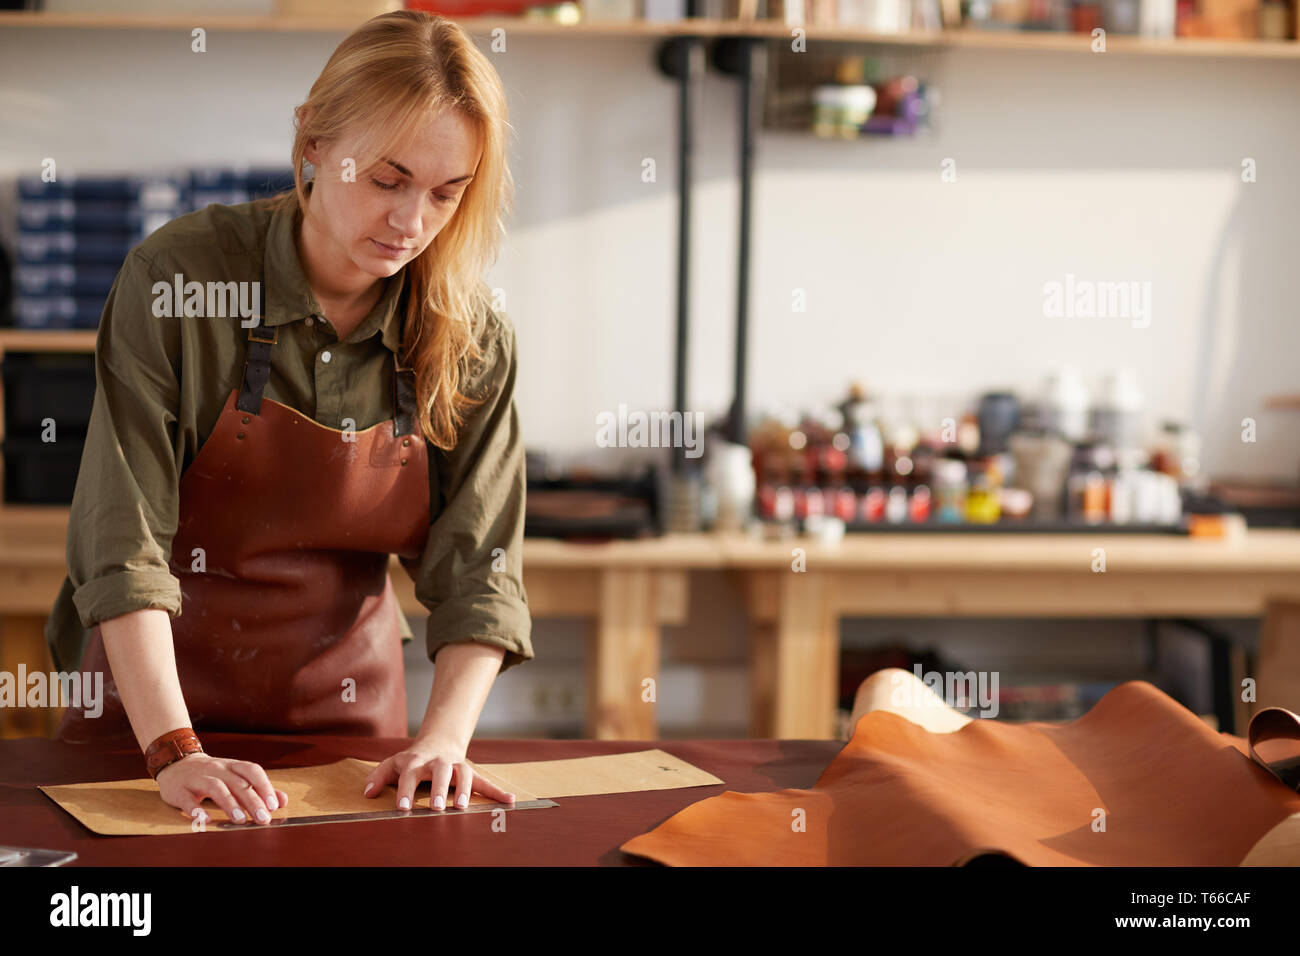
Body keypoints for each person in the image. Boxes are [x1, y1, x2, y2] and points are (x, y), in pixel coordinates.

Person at [43, 10, 532, 826]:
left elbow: (480, 569)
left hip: (344, 734)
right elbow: (120, 541)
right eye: (387, 179)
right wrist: (174, 750)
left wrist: (445, 739)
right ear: (312, 140)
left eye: (447, 194)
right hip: (146, 727)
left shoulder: (470, 333)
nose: (412, 223)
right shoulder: (177, 280)